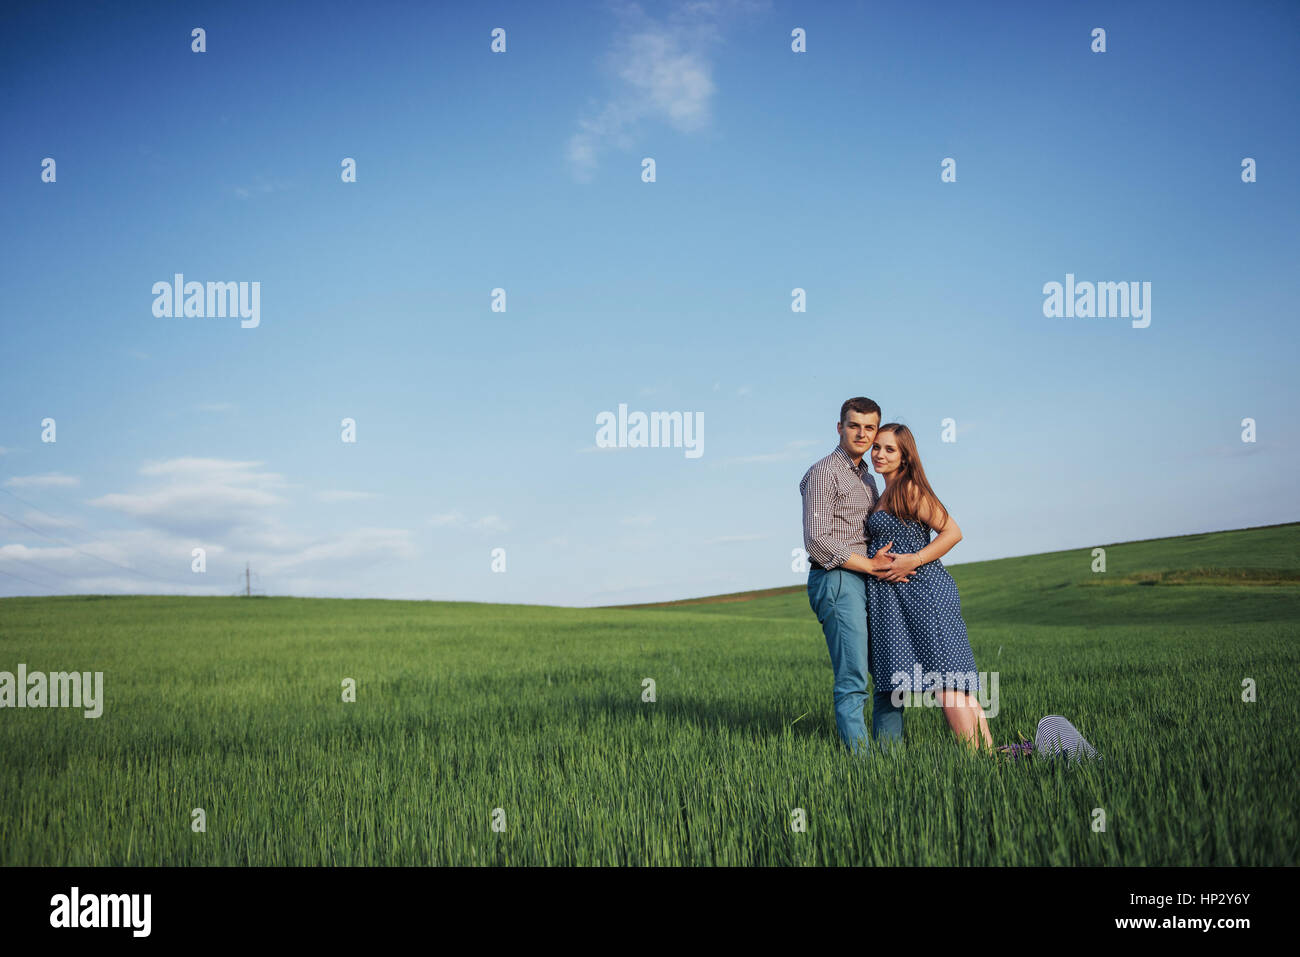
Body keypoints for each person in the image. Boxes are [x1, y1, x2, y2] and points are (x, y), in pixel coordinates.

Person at [866, 423, 992, 753]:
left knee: (947, 683)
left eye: (889, 449)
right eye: (877, 447)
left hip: (926, 594)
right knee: (953, 684)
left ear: (905, 457)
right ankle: (989, 756)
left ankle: (979, 761)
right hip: (904, 600)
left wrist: (913, 560)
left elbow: (952, 532)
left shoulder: (909, 489)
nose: (879, 454)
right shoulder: (885, 493)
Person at [800, 397, 911, 755]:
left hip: (870, 581)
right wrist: (871, 566)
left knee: (890, 675)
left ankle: (891, 759)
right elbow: (818, 540)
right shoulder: (824, 472)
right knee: (853, 679)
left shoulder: (867, 476)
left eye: (869, 428)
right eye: (854, 425)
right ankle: (862, 766)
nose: (862, 434)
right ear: (839, 428)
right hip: (838, 579)